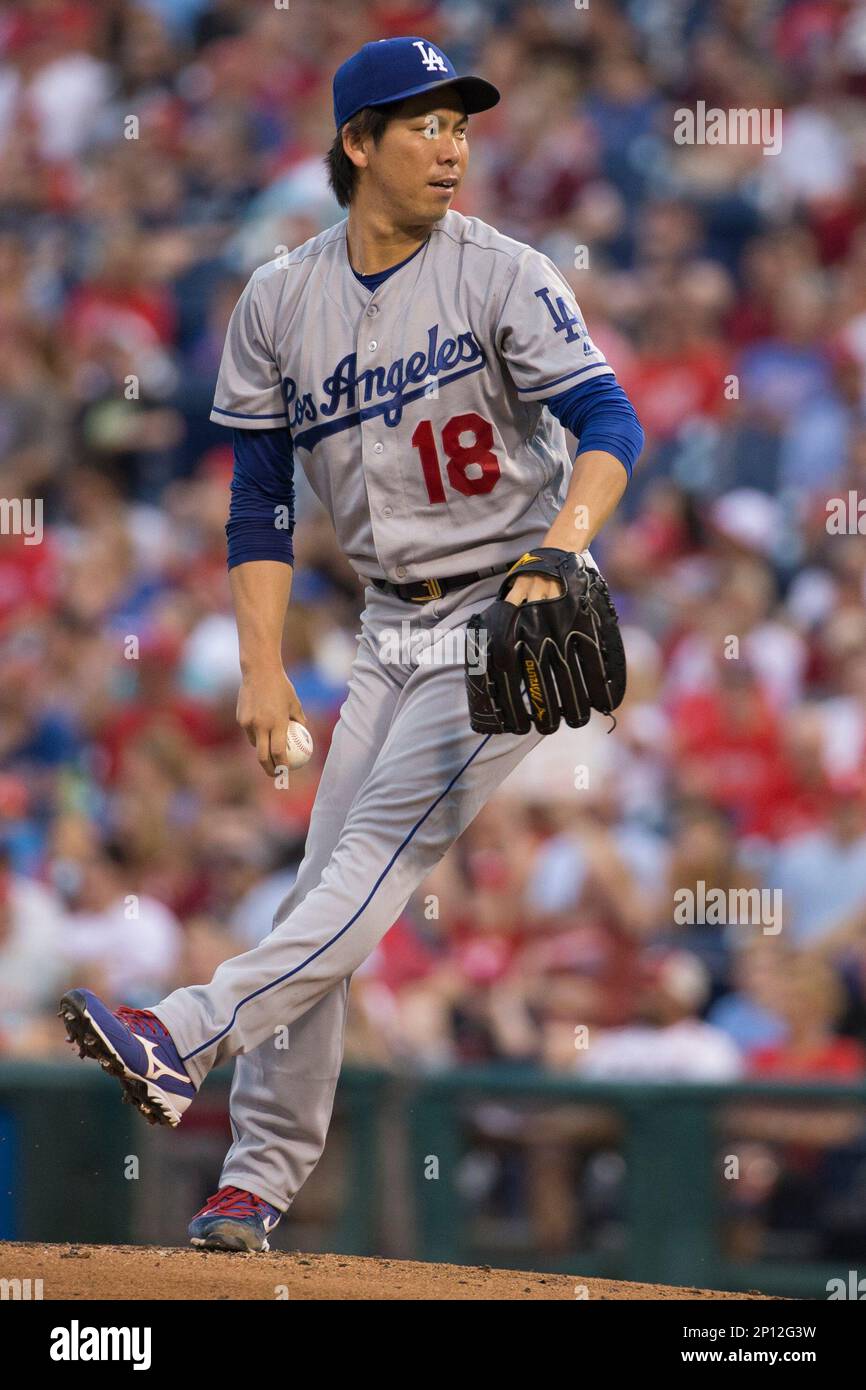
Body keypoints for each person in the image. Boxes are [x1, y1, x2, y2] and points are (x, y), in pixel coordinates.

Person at [59, 35, 643, 1253]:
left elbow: (607, 415)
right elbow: (259, 500)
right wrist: (265, 669)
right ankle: (256, 1182)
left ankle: (182, 1028)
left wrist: (565, 546)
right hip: (383, 620)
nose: (451, 144)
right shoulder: (279, 297)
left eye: (461, 124)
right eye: (422, 122)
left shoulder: (503, 270)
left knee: (369, 863)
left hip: (505, 608)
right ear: (355, 143)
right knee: (327, 889)